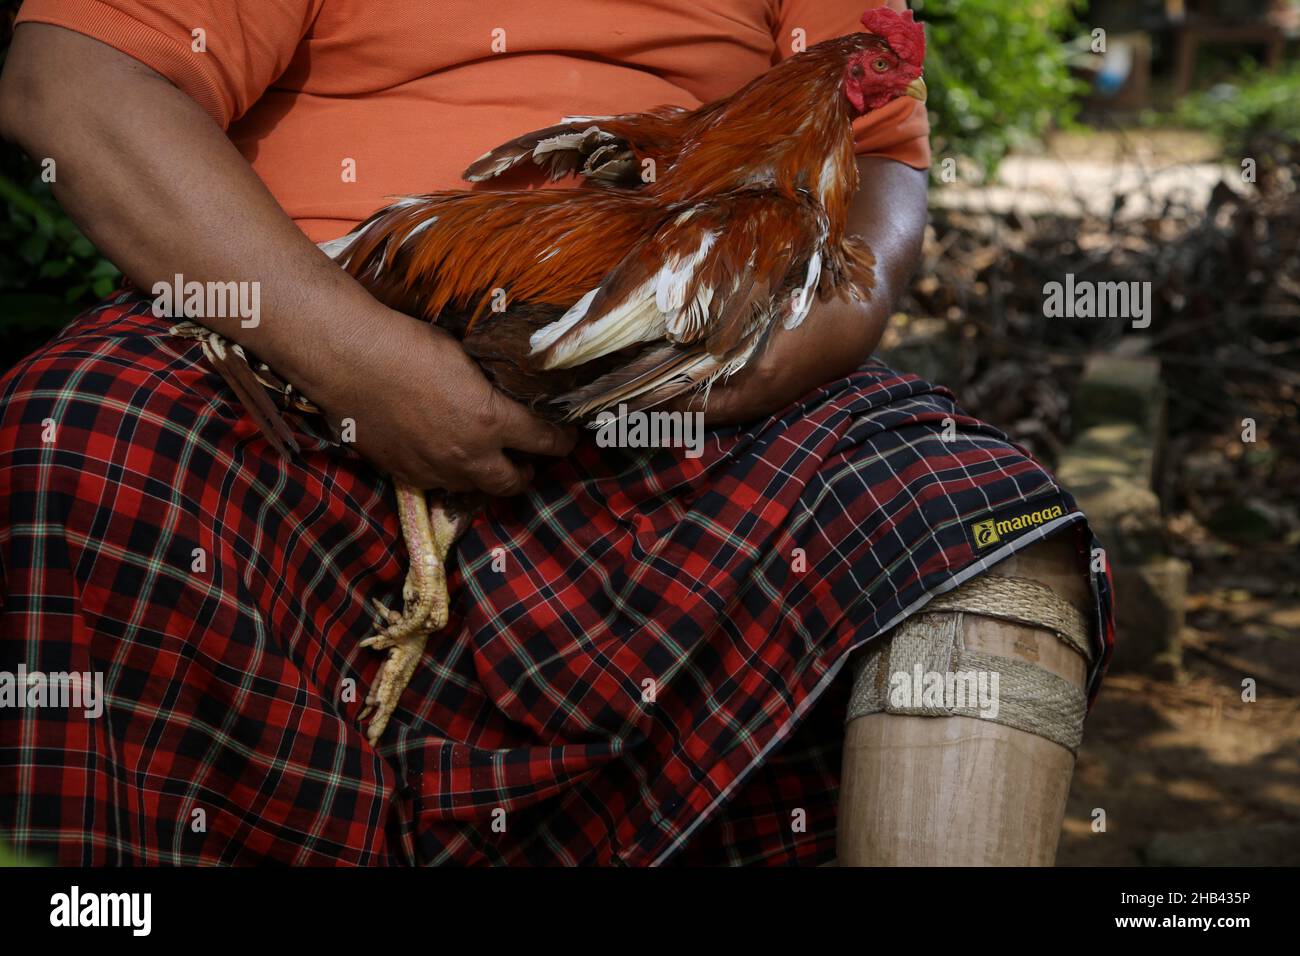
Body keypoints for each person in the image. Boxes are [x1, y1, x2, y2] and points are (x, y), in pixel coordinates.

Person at [0, 0, 1113, 865]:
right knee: (77, 435)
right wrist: (359, 360)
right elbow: (72, 81)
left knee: (981, 529)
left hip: (703, 373)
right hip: (298, 359)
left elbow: (880, 158)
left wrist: (781, 342)